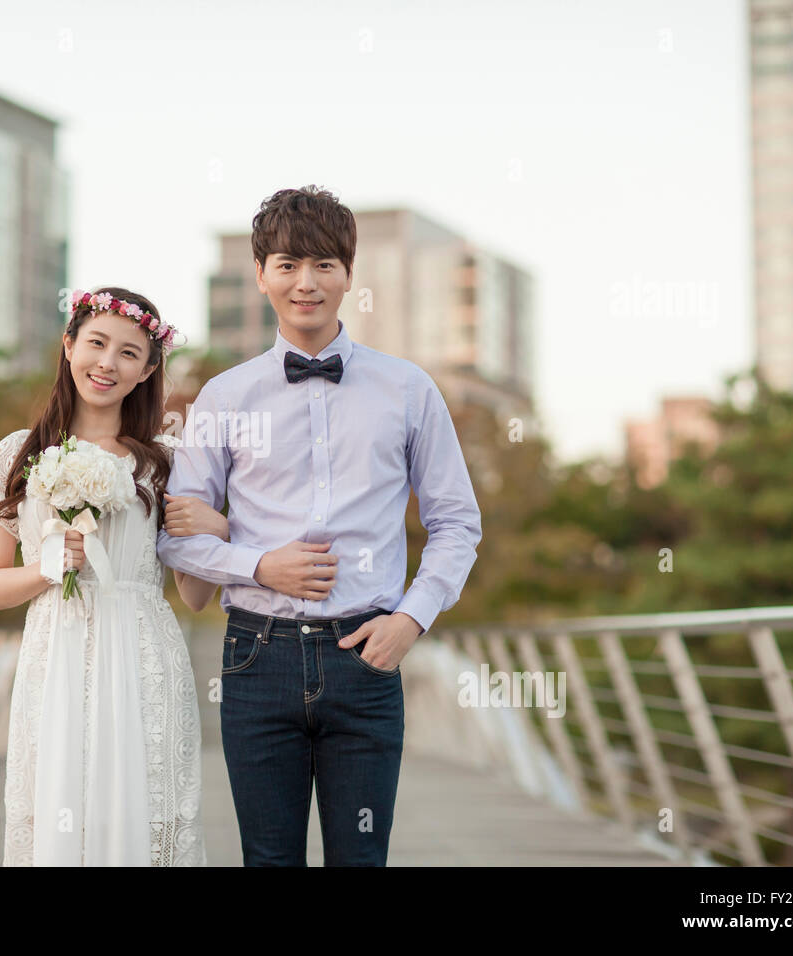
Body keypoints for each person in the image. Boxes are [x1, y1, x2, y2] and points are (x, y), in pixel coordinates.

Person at [155, 185, 483, 866]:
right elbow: (177, 534)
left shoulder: (409, 389)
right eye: (286, 264)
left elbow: (456, 522)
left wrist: (412, 618)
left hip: (365, 655)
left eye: (324, 265)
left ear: (349, 275)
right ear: (261, 276)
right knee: (268, 860)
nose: (306, 282)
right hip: (256, 657)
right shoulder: (225, 395)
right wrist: (258, 564)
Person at [0, 286, 229, 866]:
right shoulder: (18, 453)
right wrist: (46, 569)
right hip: (54, 654)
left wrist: (218, 533)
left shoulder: (167, 459)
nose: (107, 363)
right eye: (97, 343)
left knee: (146, 803)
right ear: (69, 344)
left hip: (143, 654)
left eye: (129, 353)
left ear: (148, 368)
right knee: (58, 805)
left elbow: (196, 596)